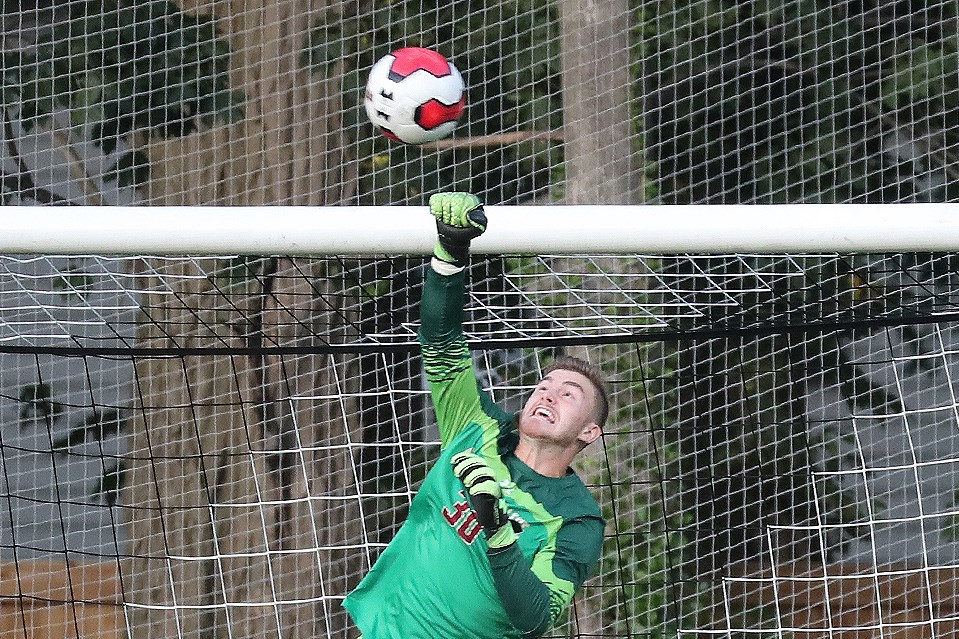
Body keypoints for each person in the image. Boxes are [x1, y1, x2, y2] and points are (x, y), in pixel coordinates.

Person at [342, 192, 608, 639]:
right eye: (543, 385)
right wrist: (450, 253)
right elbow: (442, 343)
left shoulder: (577, 520)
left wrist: (498, 531)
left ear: (590, 431)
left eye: (569, 394)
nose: (547, 394)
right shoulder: (475, 427)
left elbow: (536, 618)